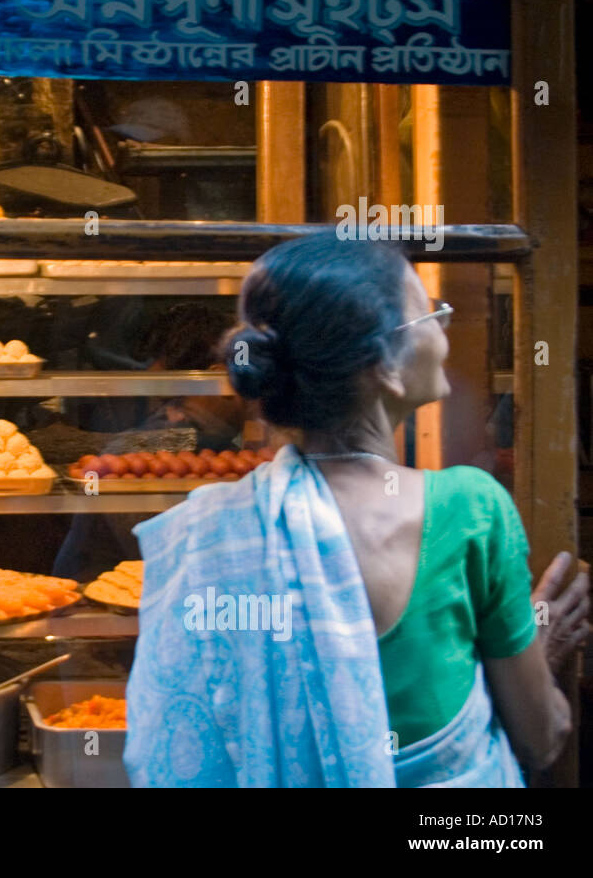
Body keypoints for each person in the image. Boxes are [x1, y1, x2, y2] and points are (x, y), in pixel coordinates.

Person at [124, 233, 589, 787]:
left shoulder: (212, 529)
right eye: (430, 314)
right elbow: (543, 740)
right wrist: (539, 645)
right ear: (386, 368)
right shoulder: (471, 507)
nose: (443, 327)